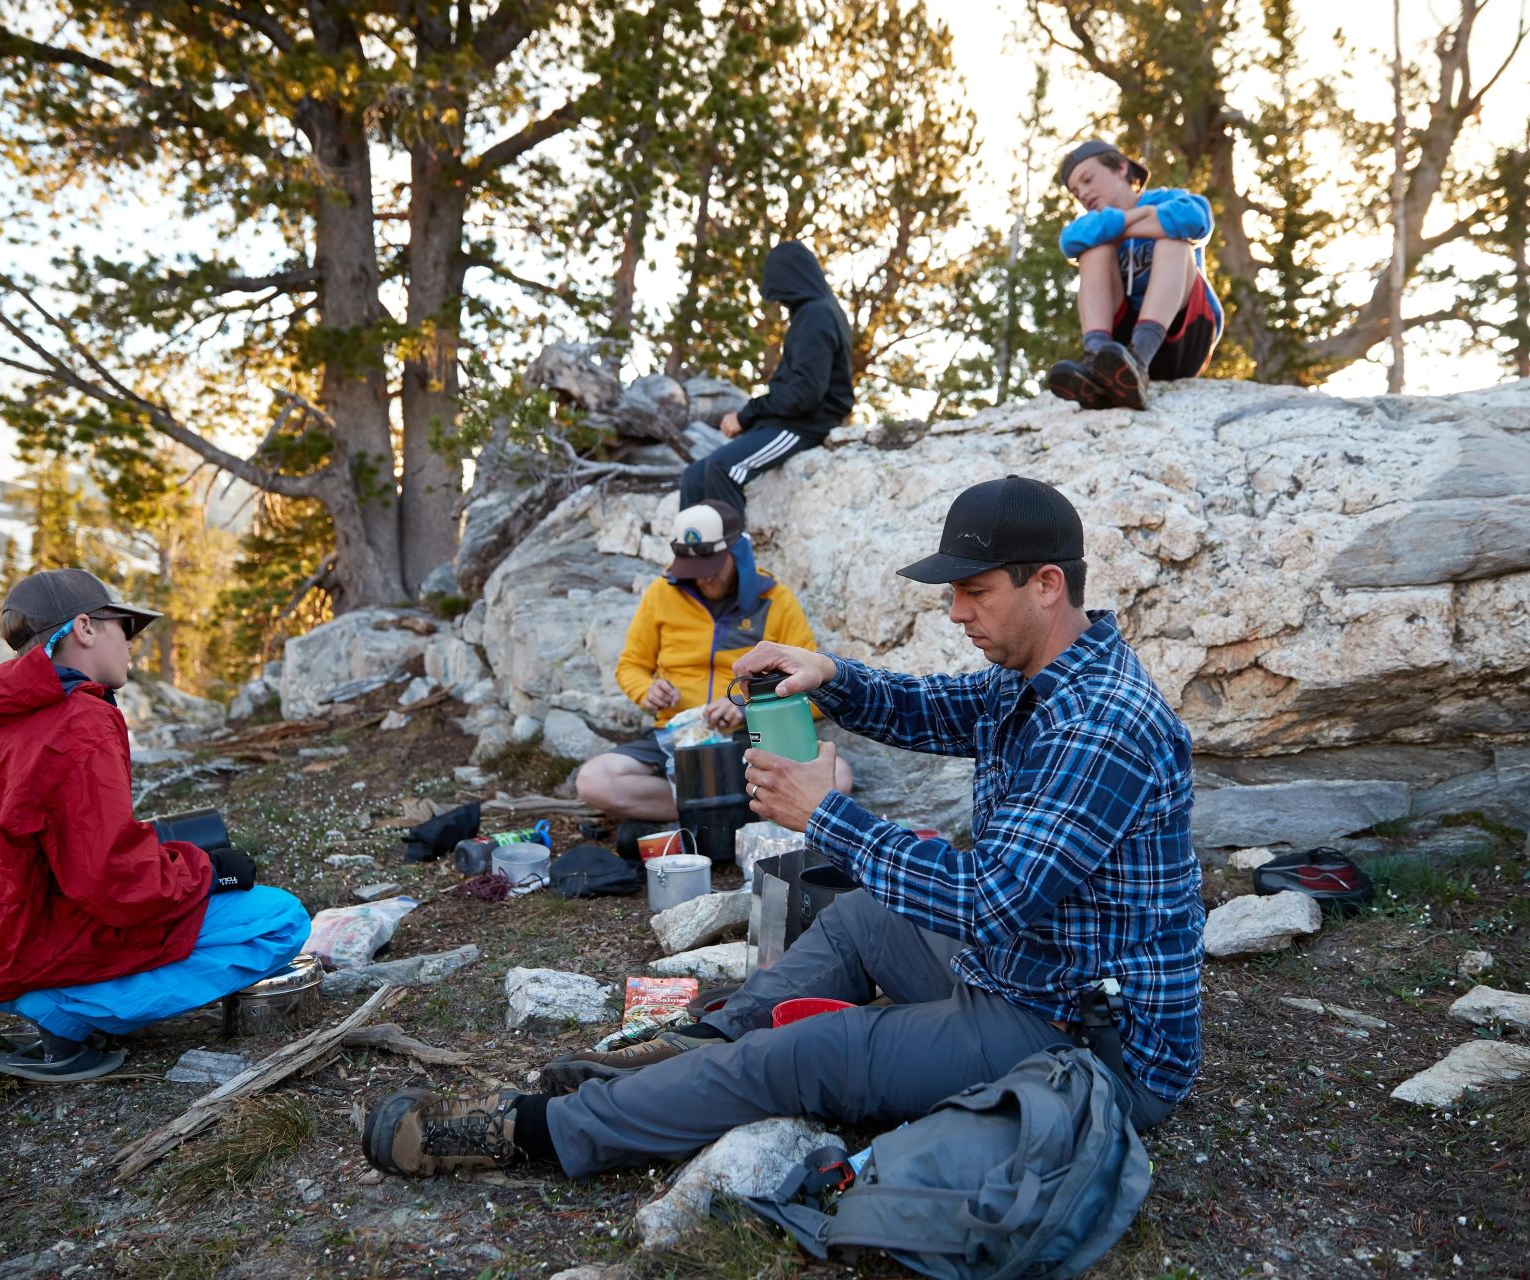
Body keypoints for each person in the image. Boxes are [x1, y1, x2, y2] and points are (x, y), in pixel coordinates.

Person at [360, 475, 1204, 1180]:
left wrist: (824, 814)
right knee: (863, 919)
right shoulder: (1036, 679)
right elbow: (936, 707)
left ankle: (532, 1131)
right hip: (1031, 974)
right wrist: (828, 675)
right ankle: (697, 1048)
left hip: (1088, 1042)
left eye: (975, 592)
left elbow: (990, 903)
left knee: (807, 1058)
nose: (956, 613)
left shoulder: (1104, 725)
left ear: (1047, 584)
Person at [0, 569, 310, 1082]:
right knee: (281, 919)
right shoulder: (79, 719)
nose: (132, 645)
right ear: (86, 629)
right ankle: (67, 1011)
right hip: (33, 957)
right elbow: (112, 880)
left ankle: (55, 1000)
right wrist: (206, 871)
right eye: (125, 628)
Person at [575, 499, 851, 826]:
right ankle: (738, 809)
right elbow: (630, 666)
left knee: (839, 776)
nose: (702, 580)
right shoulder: (660, 594)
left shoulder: (775, 601)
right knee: (593, 780)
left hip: (754, 740)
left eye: (709, 569)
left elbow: (815, 690)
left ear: (736, 552)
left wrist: (747, 708)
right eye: (691, 570)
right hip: (677, 737)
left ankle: (719, 808)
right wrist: (646, 690)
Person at [679, 241, 855, 515]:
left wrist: (746, 415)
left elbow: (805, 394)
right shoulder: (813, 313)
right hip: (787, 421)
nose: (779, 302)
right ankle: (692, 554)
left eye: (780, 293)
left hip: (804, 426)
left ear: (790, 278)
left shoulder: (816, 314)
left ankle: (735, 558)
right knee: (694, 476)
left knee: (725, 468)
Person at [1047, 139, 1223, 411]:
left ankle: (1139, 359)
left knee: (1173, 239)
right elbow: (1069, 240)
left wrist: (1115, 229)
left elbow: (1196, 218)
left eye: (1088, 179)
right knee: (1094, 252)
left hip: (1183, 340)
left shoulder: (1168, 199)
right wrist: (1136, 219)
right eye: (1075, 191)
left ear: (1120, 167)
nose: (1082, 193)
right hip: (1116, 354)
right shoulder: (1094, 223)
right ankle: (1096, 363)